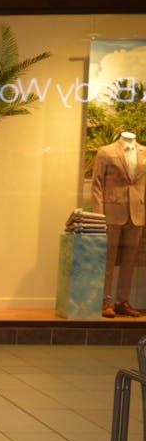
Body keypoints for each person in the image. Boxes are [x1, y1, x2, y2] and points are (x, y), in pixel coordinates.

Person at [92, 131, 145, 318]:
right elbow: (97, 184)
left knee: (129, 259)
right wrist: (99, 215)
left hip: (137, 212)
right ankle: (105, 300)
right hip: (112, 212)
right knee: (108, 257)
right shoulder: (106, 152)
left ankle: (122, 300)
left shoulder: (144, 152)